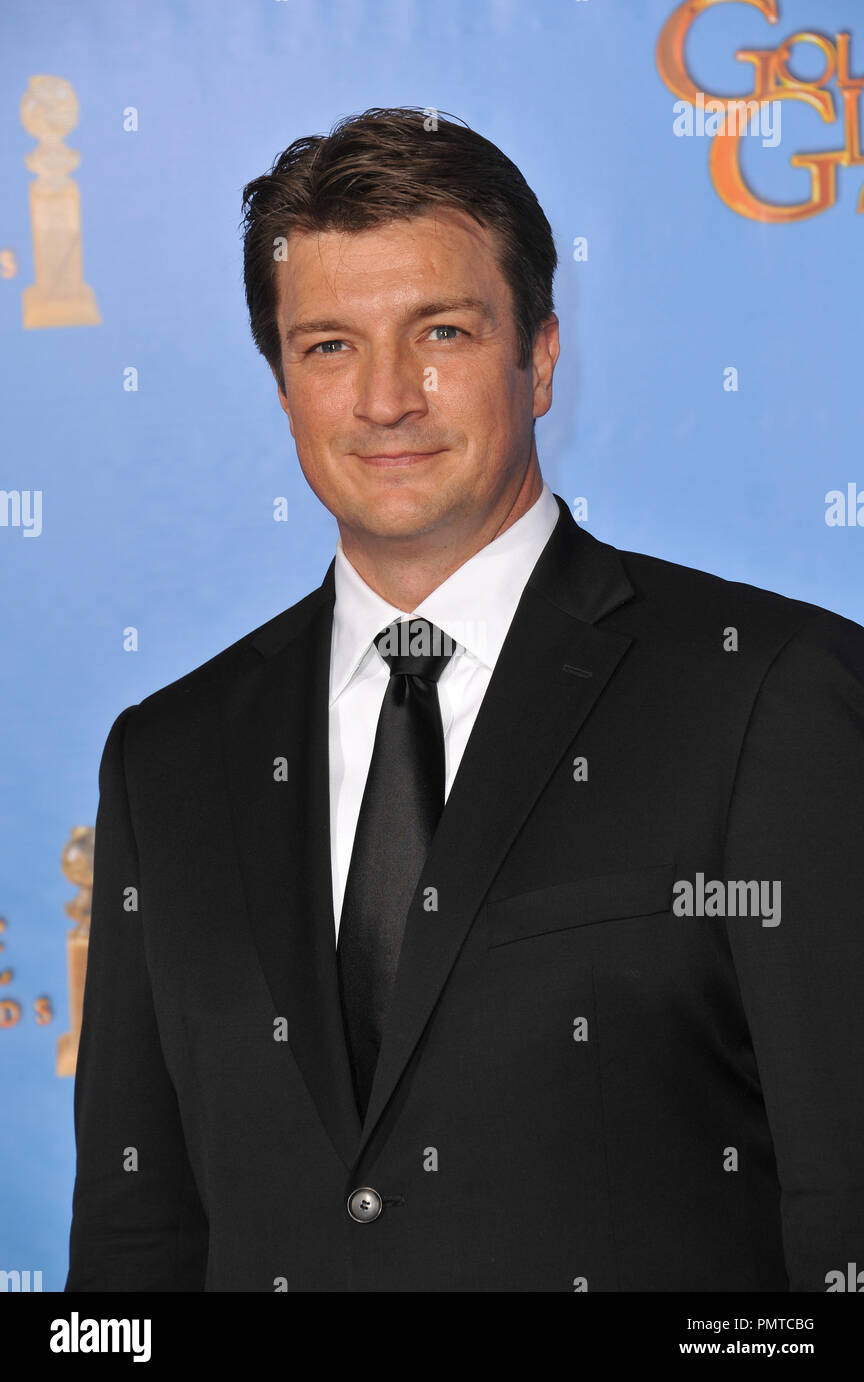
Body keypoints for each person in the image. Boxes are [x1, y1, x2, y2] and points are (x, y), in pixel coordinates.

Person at [66, 106, 864, 1293]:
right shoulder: (167, 758)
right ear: (282, 383)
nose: (386, 398)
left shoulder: (767, 691)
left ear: (540, 355)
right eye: (329, 345)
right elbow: (138, 1243)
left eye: (439, 330)